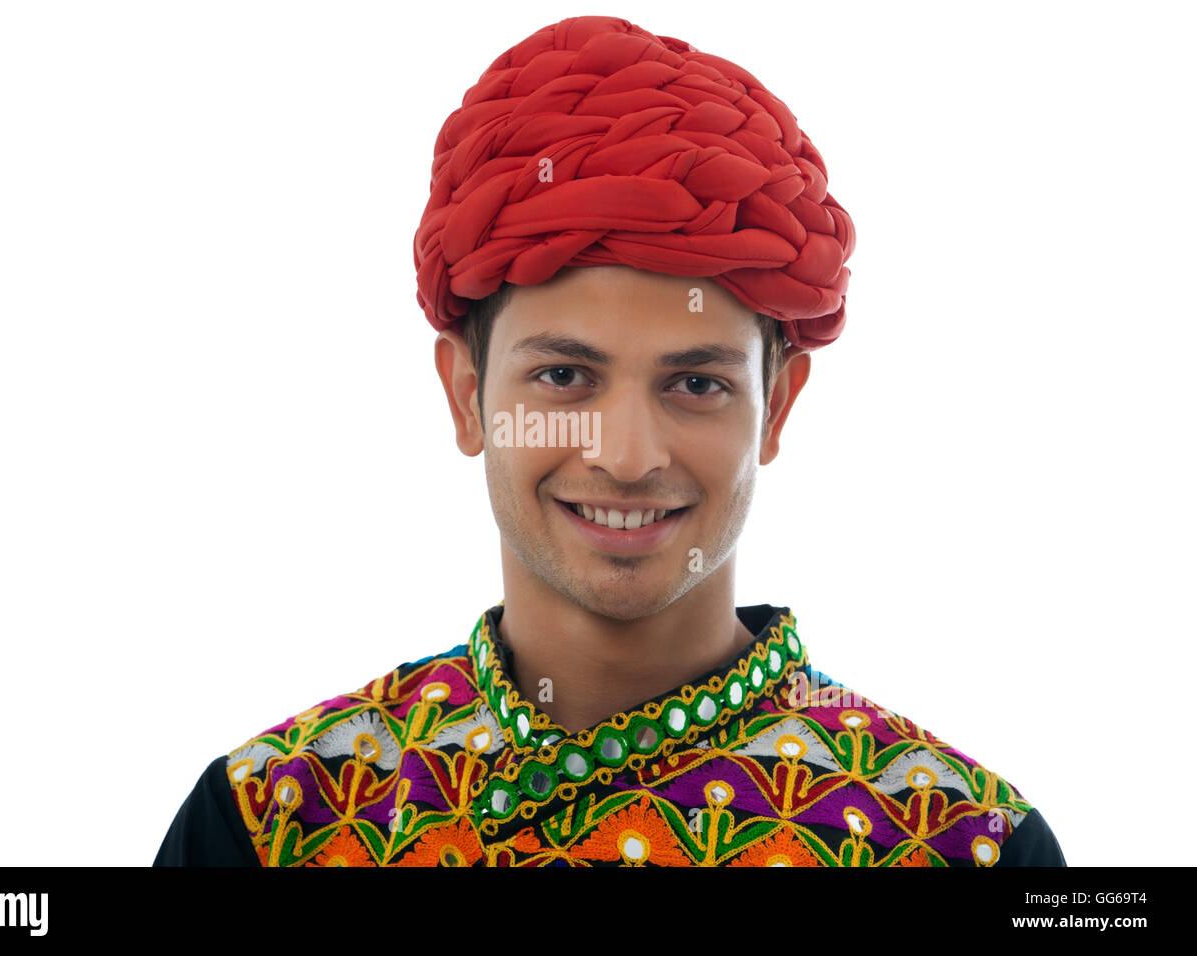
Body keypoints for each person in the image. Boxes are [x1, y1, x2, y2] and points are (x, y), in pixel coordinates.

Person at [154, 14, 1066, 867]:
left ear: (777, 409)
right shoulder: (277, 822)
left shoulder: (960, 842)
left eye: (697, 384)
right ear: (467, 396)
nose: (627, 457)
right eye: (564, 377)